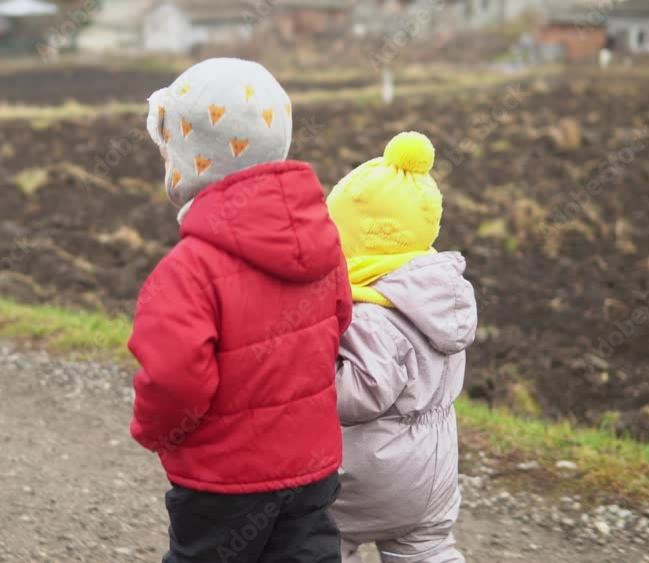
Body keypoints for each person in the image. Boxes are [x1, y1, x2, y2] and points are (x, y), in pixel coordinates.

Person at [128, 58, 352, 563]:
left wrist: (155, 432)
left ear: (186, 158)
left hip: (222, 481)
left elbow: (173, 379)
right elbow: (338, 326)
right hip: (313, 467)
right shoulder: (324, 243)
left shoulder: (187, 270)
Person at [325, 132, 478, 563]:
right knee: (428, 549)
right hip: (434, 476)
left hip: (370, 478)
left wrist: (311, 375)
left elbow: (360, 394)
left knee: (316, 539)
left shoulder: (371, 312)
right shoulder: (440, 297)